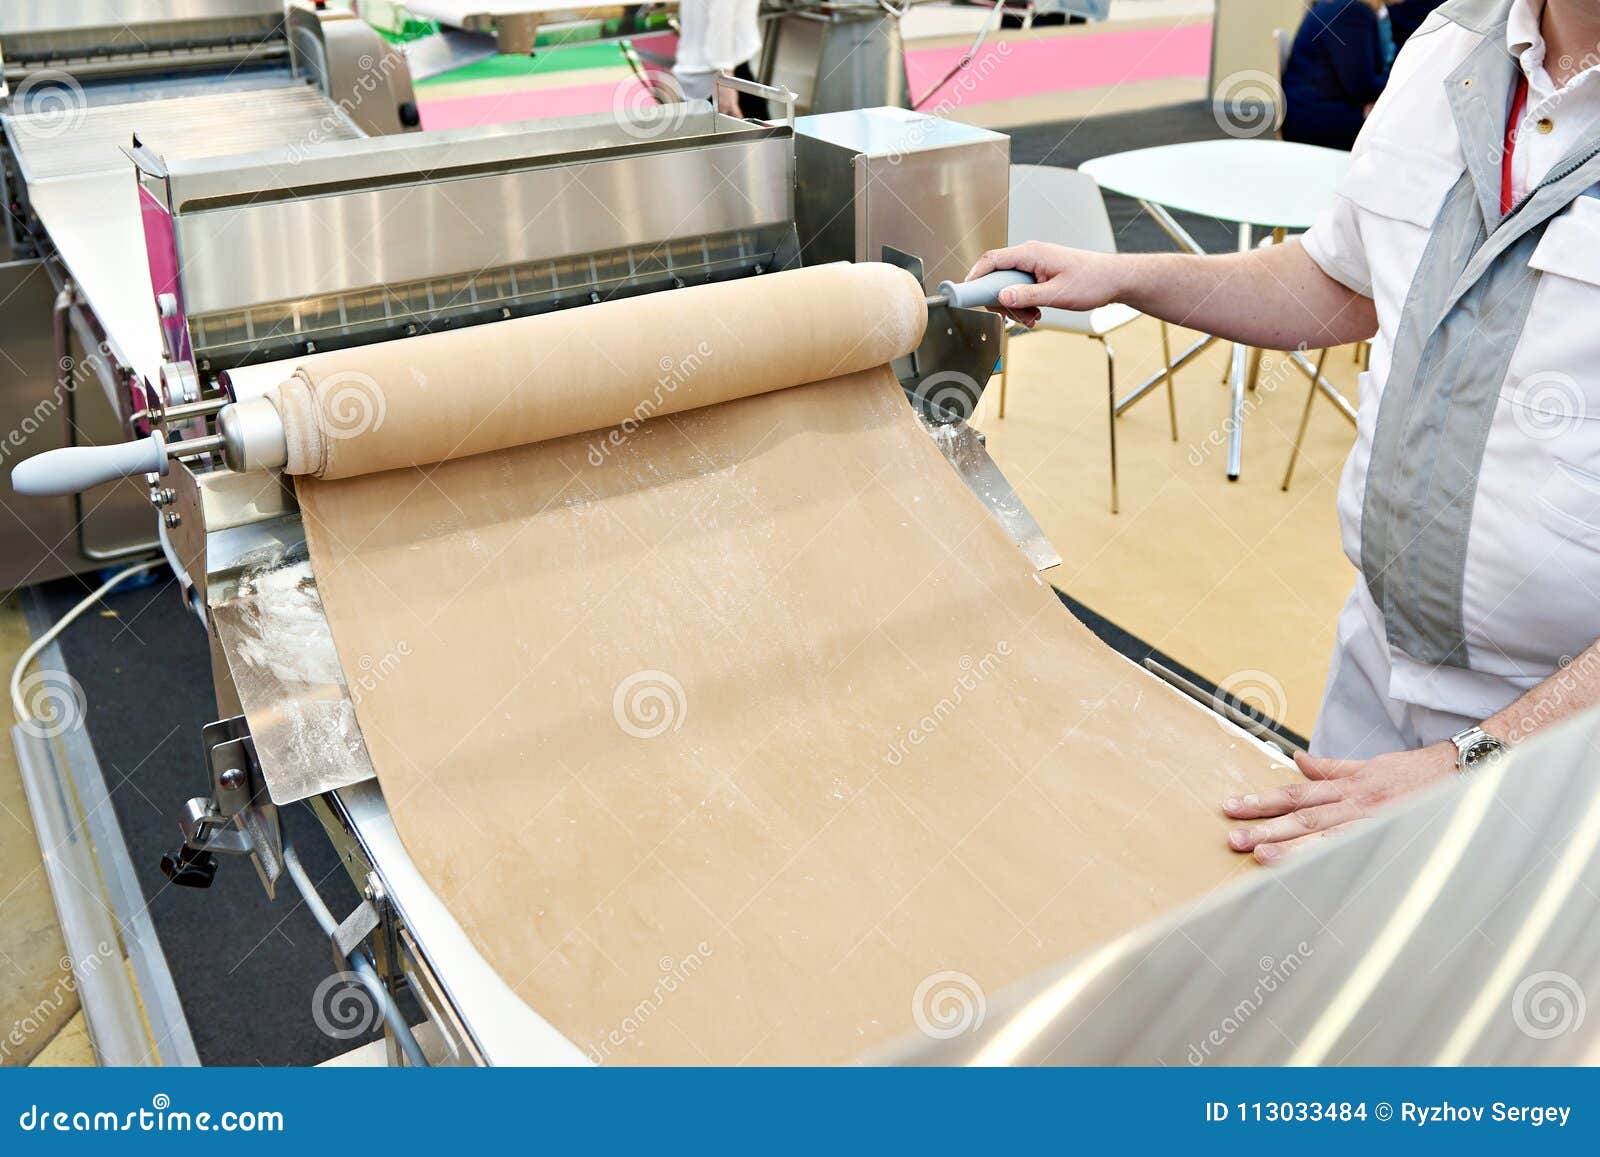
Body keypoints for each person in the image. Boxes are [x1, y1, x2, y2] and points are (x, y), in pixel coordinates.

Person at [968, 0, 1600, 862]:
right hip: (1376, 676)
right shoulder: (1450, 46)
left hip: (1562, 742)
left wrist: (1476, 757)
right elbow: (1340, 283)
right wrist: (1123, 276)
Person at [1280, 1, 1400, 150]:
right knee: (1401, 125)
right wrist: (1403, 78)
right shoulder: (1352, 11)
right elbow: (1362, 89)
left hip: (1313, 111)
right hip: (1319, 118)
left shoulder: (1345, 6)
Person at [671, 0, 764, 117]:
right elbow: (720, 24)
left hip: (697, 68)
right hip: (717, 73)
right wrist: (725, 83)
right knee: (765, 131)